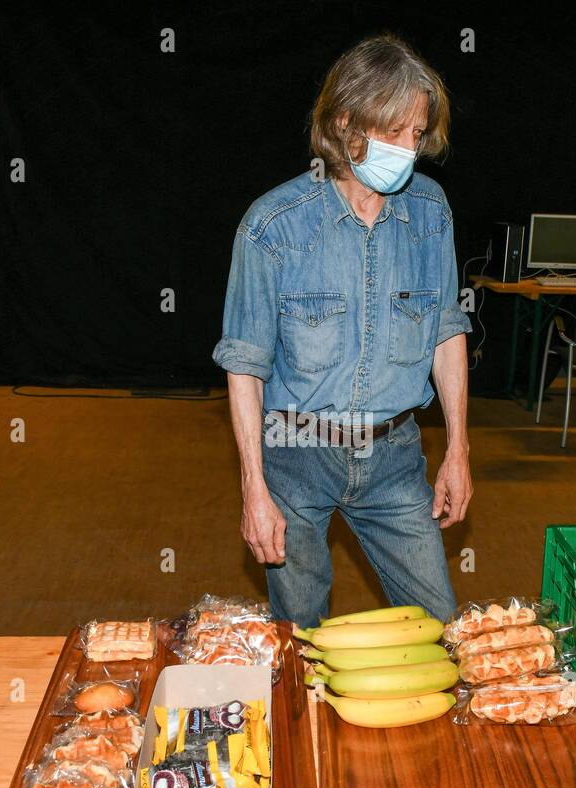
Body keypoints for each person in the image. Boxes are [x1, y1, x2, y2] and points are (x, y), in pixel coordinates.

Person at [213, 33, 472, 626]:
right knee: (300, 634)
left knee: (438, 628)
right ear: (346, 122)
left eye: (417, 134)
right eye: (394, 131)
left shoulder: (430, 214)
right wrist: (253, 487)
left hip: (395, 456)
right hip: (295, 455)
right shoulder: (272, 226)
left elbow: (446, 333)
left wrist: (458, 447)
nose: (408, 150)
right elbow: (243, 365)